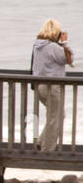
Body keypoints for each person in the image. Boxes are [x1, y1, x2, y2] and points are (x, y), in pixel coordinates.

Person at [31, 18, 73, 152]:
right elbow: (69, 60)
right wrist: (65, 43)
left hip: (40, 86)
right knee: (56, 117)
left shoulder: (37, 45)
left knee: (56, 115)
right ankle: (46, 151)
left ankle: (41, 141)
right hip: (52, 87)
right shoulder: (53, 47)